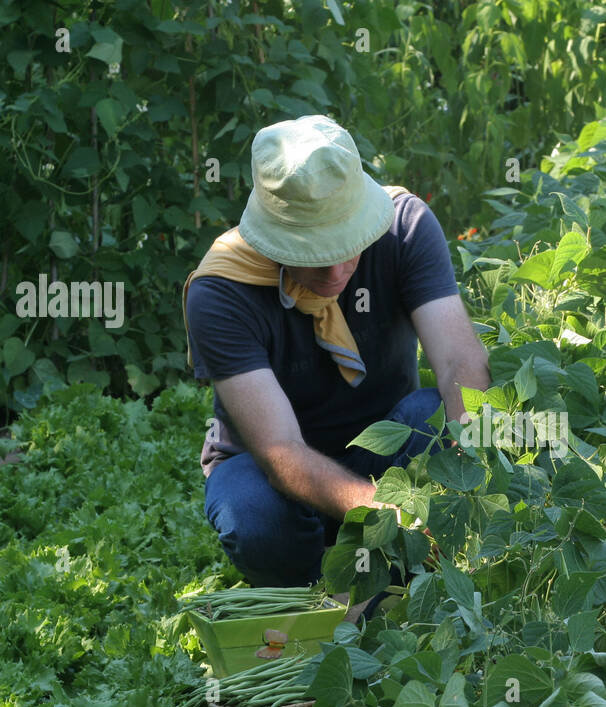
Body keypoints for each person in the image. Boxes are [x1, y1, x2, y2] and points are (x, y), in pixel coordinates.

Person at [183, 115, 490, 593]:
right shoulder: (222, 291)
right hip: (270, 473)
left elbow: (459, 362)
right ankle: (319, 586)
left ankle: (403, 574)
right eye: (311, 251)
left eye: (346, 244)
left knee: (433, 414)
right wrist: (386, 515)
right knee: (253, 517)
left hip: (383, 446)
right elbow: (280, 452)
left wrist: (472, 468)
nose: (334, 271)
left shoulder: (404, 227)